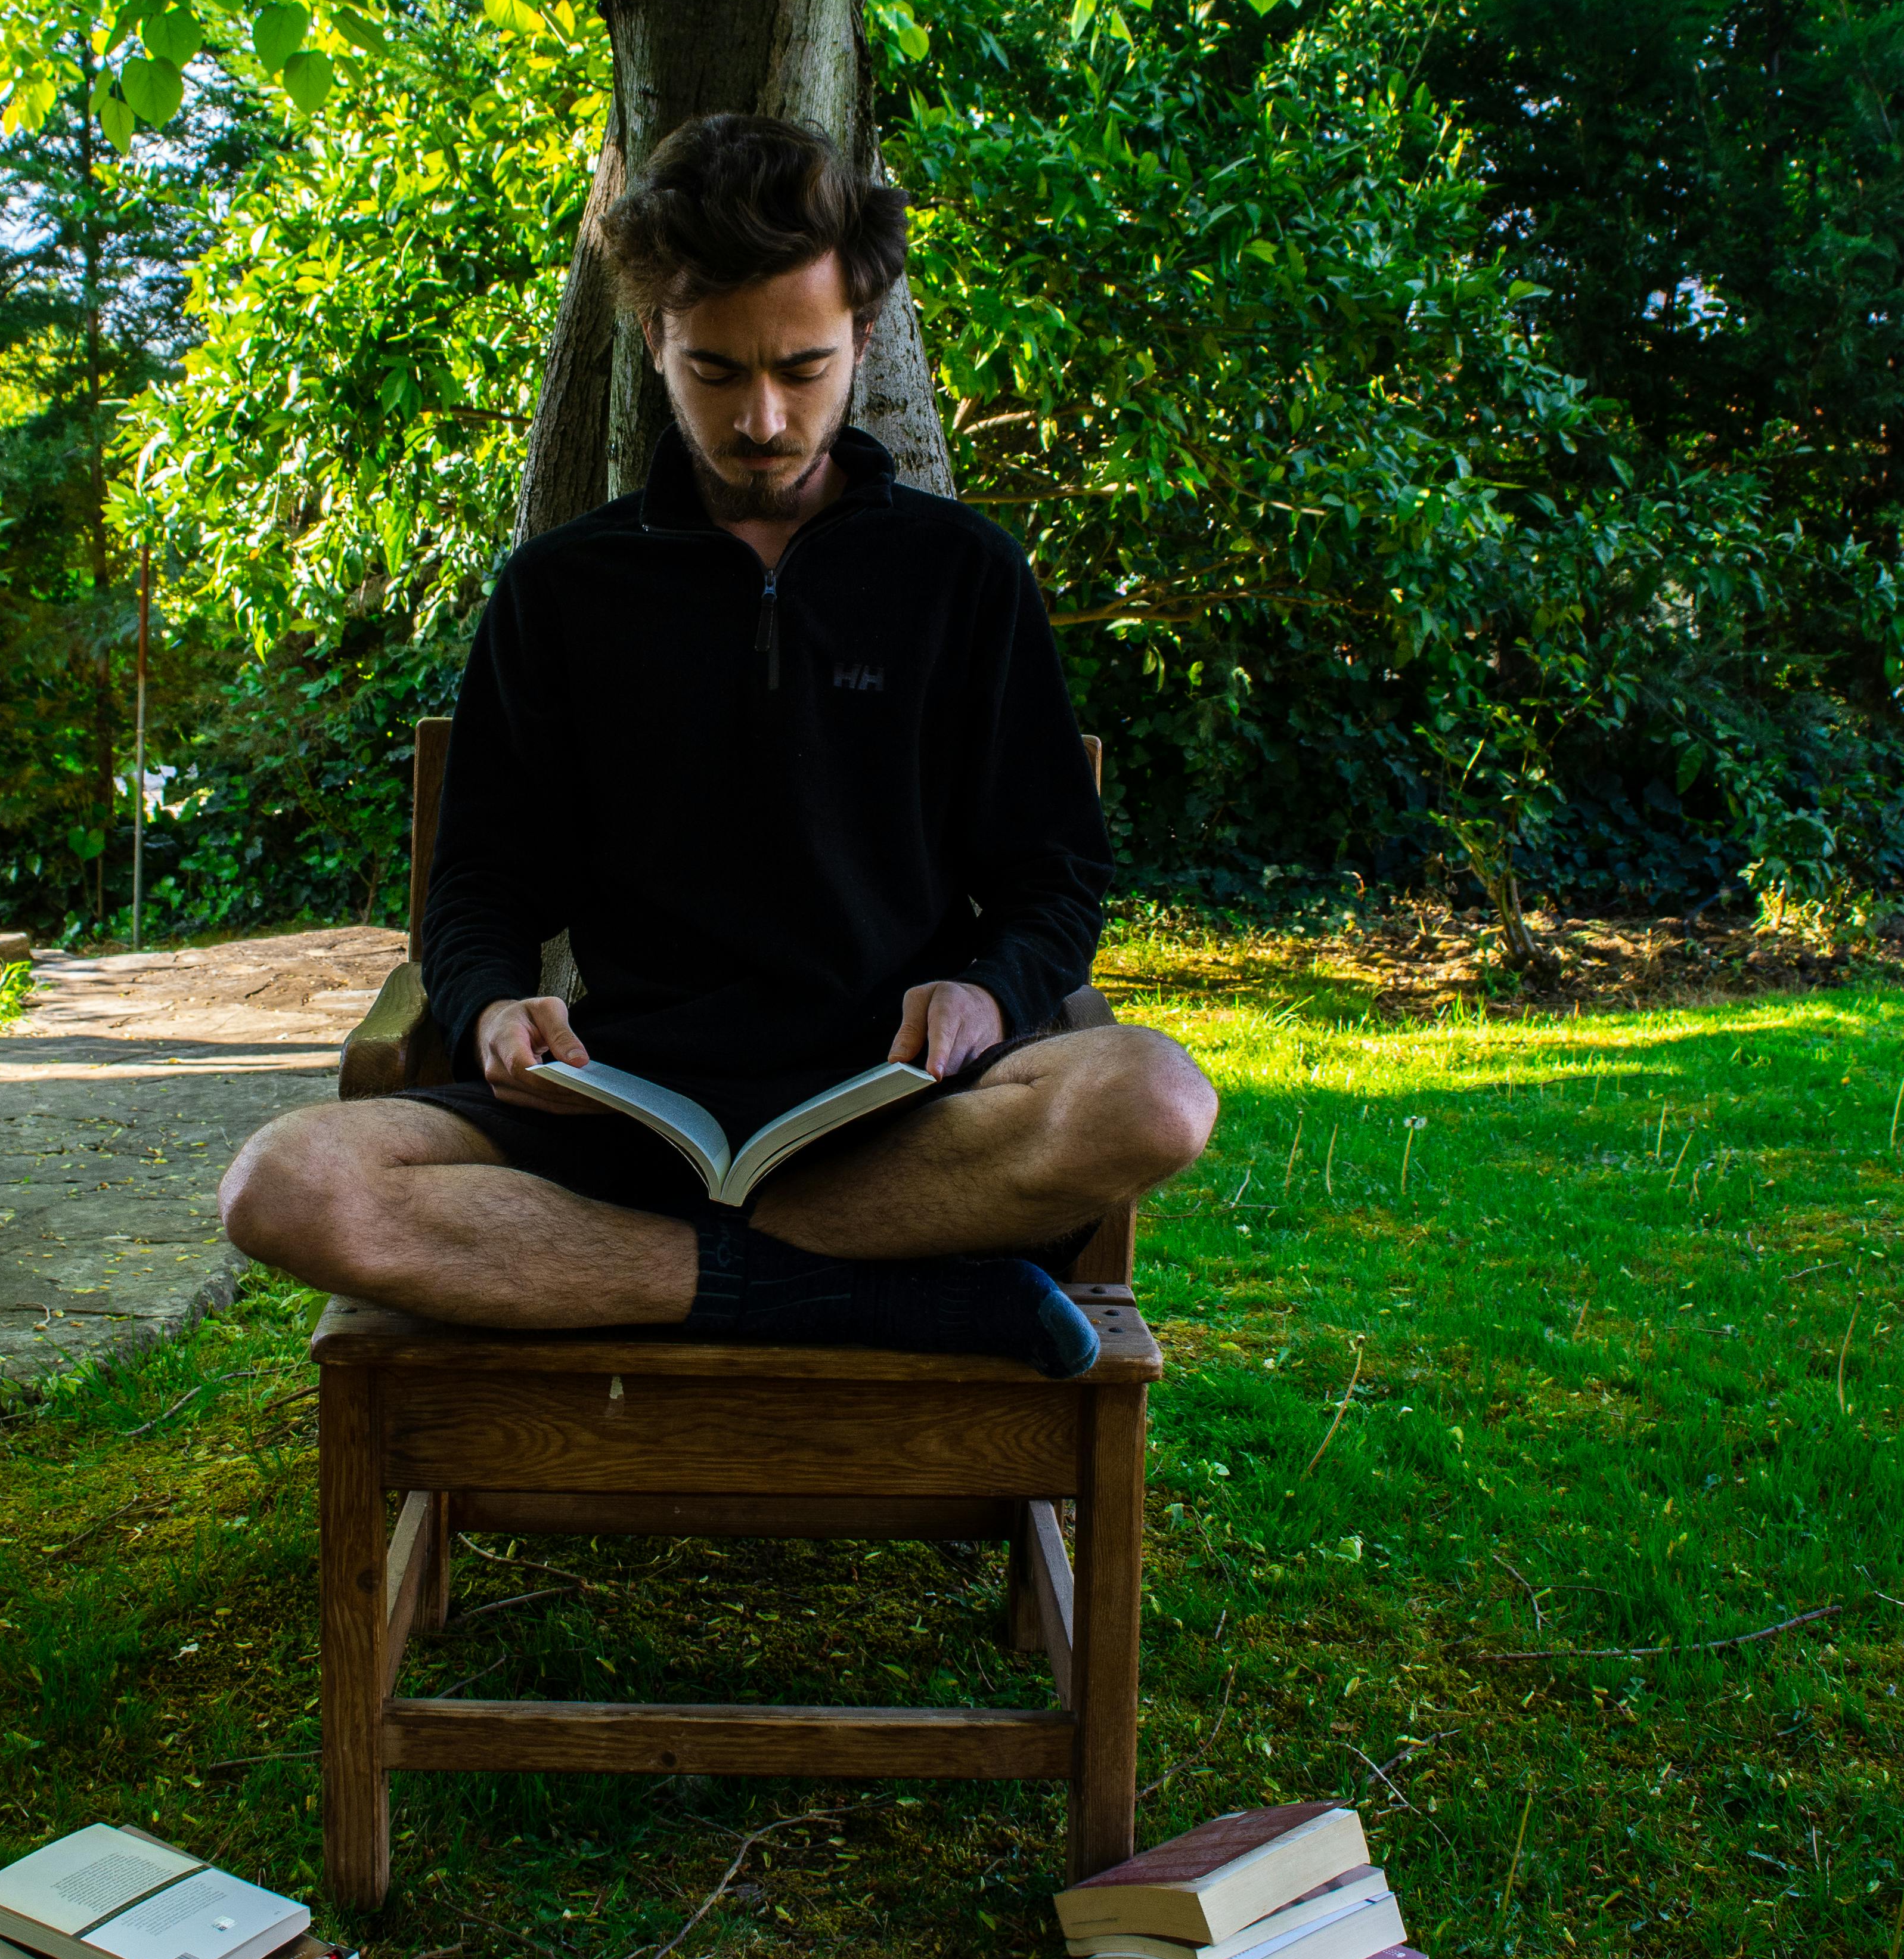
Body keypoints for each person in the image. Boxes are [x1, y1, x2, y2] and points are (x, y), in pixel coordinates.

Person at [219, 115, 1216, 1374]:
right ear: (652, 343)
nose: (760, 417)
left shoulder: (960, 575)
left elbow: (1048, 876)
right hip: (621, 1109)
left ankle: (689, 1265)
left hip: (898, 1112)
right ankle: (857, 1289)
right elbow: (481, 883)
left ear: (861, 336)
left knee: (1157, 1096)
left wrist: (989, 990)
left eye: (802, 368)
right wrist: (484, 1009)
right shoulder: (560, 592)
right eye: (715, 370)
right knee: (285, 1185)